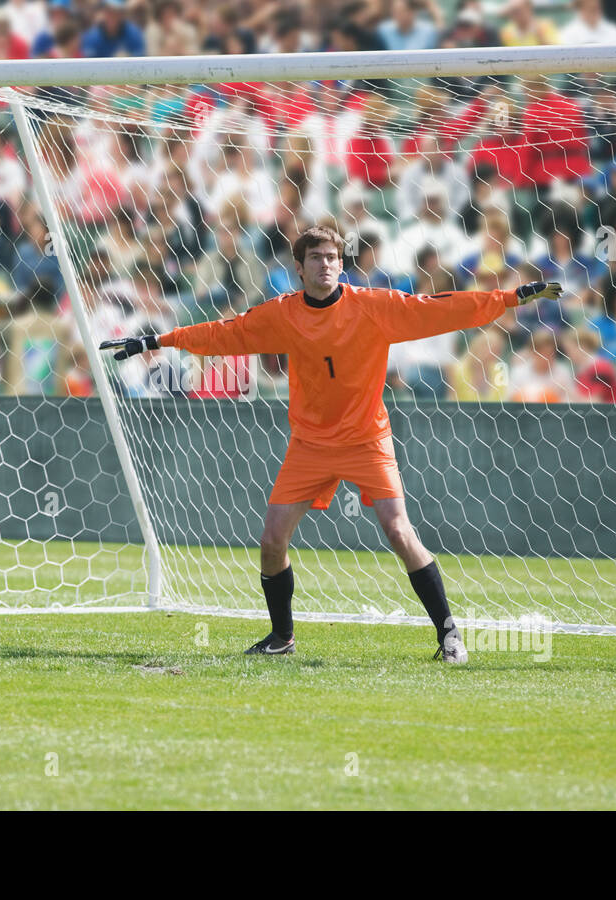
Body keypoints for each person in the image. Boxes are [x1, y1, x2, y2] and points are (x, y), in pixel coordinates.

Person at [101, 225, 562, 661]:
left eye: (334, 257)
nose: (326, 264)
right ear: (298, 268)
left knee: (399, 531)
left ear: (343, 264)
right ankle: (283, 638)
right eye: (317, 258)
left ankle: (449, 634)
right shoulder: (283, 313)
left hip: (366, 438)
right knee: (271, 540)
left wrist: (507, 298)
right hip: (310, 445)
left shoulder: (373, 306)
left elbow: (439, 309)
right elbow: (226, 333)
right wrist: (155, 340)